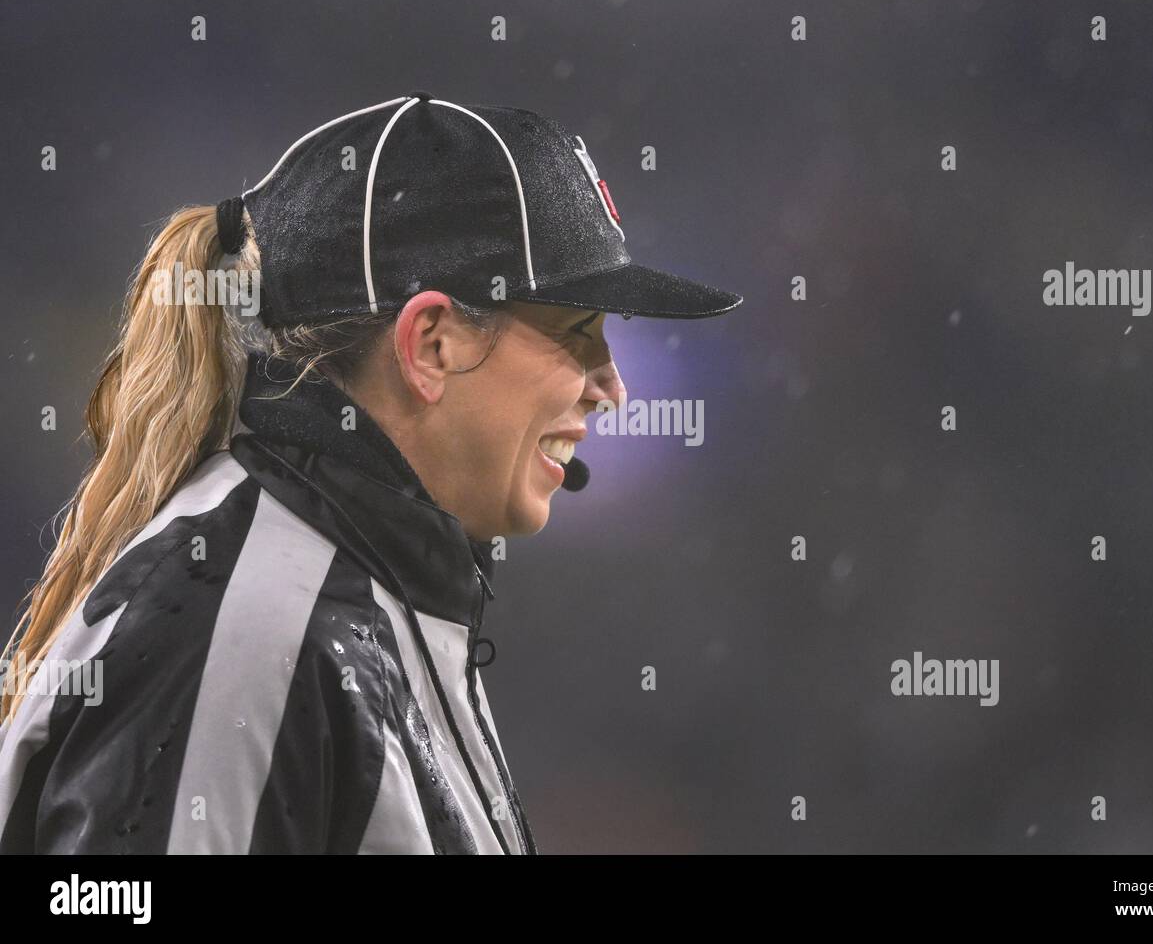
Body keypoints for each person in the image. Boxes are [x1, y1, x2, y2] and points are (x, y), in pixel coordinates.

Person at [0, 94, 741, 853]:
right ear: (431, 345)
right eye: (579, 332)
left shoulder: (348, 593)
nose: (612, 388)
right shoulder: (250, 628)